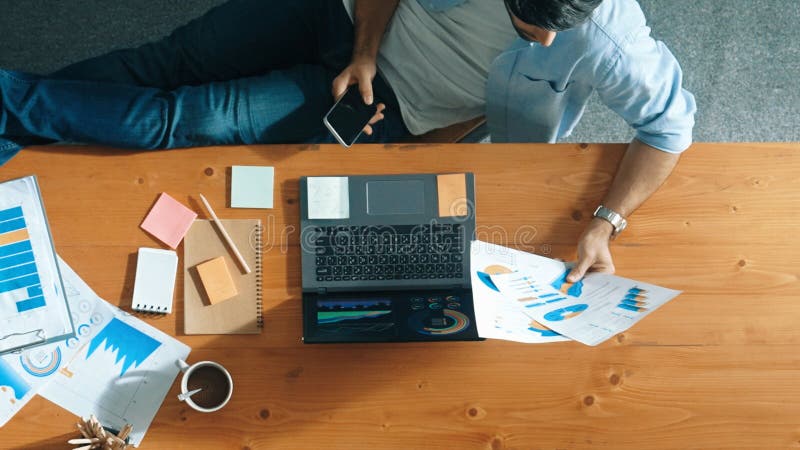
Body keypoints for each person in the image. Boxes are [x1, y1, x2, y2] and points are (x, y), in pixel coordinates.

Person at [0, 0, 695, 281]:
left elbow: (669, 127)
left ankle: (12, 111)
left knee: (187, 119)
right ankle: (16, 120)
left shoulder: (616, 44)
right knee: (164, 61)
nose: (540, 39)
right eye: (526, 18)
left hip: (386, 106)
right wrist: (364, 49)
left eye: (553, 32)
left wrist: (606, 222)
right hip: (343, 17)